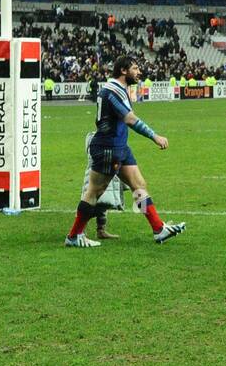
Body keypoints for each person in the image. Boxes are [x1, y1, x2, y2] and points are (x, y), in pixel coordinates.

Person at [65, 56, 184, 248]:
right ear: (123, 71)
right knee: (94, 192)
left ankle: (158, 229)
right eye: (135, 68)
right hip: (108, 147)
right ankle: (74, 236)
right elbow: (130, 119)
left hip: (120, 146)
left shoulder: (118, 89)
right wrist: (155, 136)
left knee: (139, 185)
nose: (139, 72)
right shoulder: (112, 91)